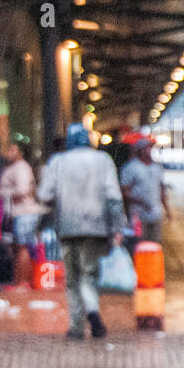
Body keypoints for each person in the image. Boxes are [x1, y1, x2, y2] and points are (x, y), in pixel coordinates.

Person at [36, 124, 126, 339]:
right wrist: (117, 227)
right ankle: (93, 311)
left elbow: (45, 194)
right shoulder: (103, 160)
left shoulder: (58, 161)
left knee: (72, 279)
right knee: (89, 274)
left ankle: (76, 327)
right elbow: (114, 197)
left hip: (67, 227)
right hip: (96, 228)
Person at [119, 139, 169, 248]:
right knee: (139, 244)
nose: (149, 151)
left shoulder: (157, 168)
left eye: (151, 148)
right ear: (140, 150)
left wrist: (167, 209)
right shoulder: (130, 168)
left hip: (156, 214)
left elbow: (161, 189)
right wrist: (140, 202)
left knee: (155, 244)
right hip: (138, 215)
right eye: (147, 148)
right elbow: (125, 192)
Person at [1, 139, 41, 252]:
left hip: (24, 214)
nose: (9, 152)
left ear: (20, 153)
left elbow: (23, 189)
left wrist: (4, 192)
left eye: (13, 149)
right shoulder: (13, 167)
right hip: (17, 214)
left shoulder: (21, 168)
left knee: (23, 249)